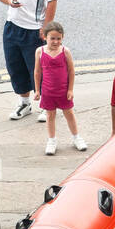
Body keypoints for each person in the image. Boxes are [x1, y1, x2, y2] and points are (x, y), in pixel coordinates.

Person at [0, 0, 58, 121]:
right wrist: (9, 0)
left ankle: (46, 105)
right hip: (12, 26)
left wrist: (46, 27)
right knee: (15, 67)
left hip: (35, 29)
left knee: (38, 70)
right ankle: (24, 103)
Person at [34, 22, 87, 155]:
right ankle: (52, 140)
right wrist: (37, 90)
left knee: (69, 113)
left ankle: (76, 138)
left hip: (63, 91)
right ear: (45, 37)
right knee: (50, 115)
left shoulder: (65, 51)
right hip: (47, 91)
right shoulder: (39, 51)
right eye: (52, 38)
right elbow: (37, 72)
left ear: (62, 38)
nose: (56, 41)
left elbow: (71, 71)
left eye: (59, 38)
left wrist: (70, 90)